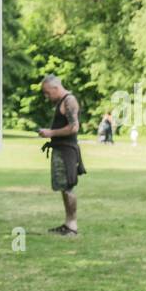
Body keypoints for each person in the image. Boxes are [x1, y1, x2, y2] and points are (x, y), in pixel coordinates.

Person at [39, 74, 86, 237]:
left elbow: (74, 127)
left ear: (55, 87)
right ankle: (68, 224)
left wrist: (51, 132)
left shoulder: (69, 100)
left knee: (68, 187)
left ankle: (72, 226)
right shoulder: (61, 101)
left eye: (47, 92)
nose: (47, 96)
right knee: (63, 188)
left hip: (68, 151)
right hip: (60, 149)